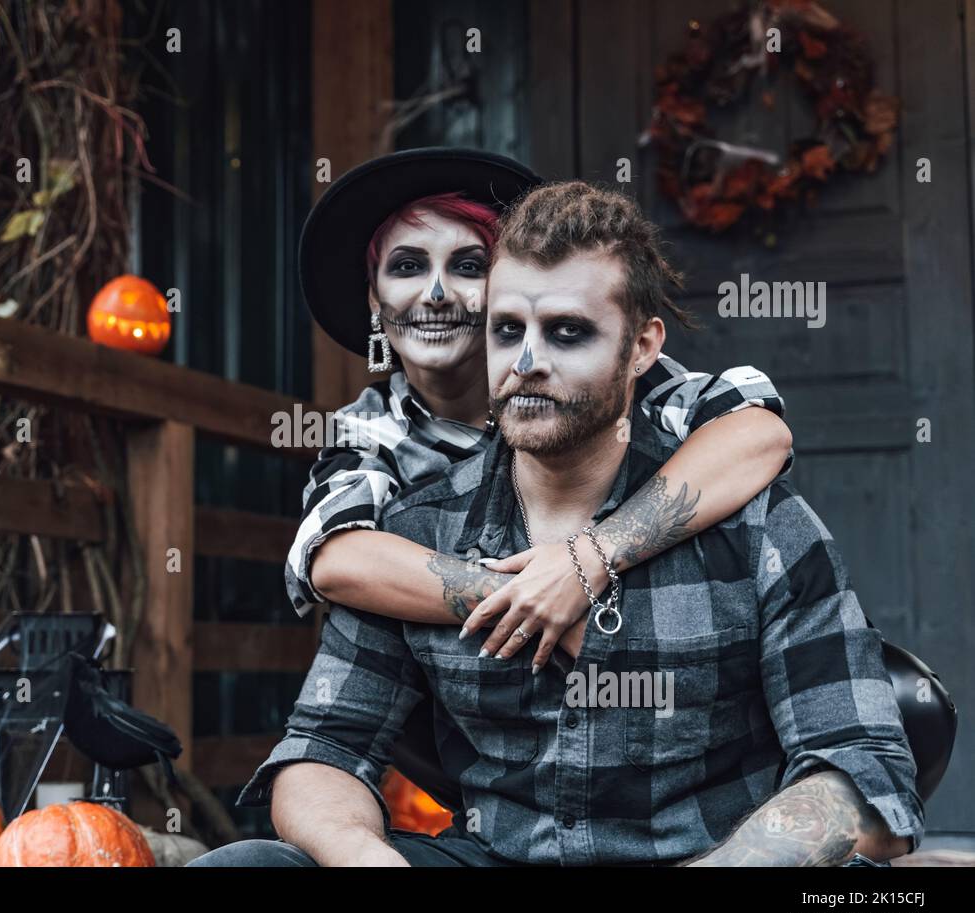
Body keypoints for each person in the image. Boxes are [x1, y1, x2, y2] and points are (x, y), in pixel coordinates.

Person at [190, 181, 921, 866]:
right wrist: (368, 856)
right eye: (508, 330)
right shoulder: (412, 521)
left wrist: (588, 560)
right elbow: (321, 746)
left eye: (568, 332)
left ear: (642, 349)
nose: (529, 360)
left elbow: (863, 764)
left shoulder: (754, 520)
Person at [287, 148, 793, 677]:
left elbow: (757, 430)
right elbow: (332, 557)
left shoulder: (595, 376)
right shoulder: (373, 431)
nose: (435, 294)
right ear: (375, 299)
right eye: (408, 266)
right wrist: (529, 595)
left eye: (467, 266)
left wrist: (590, 559)